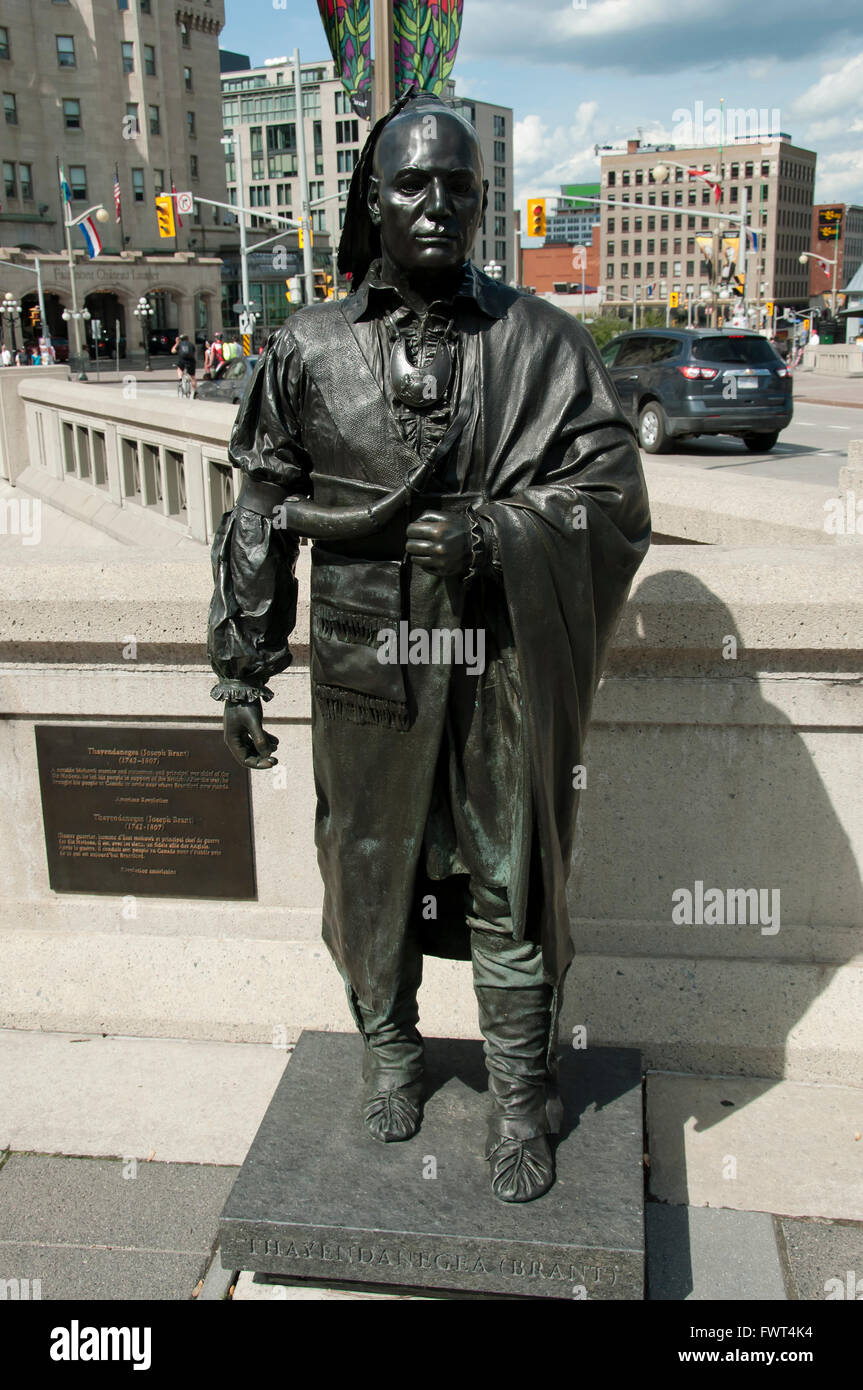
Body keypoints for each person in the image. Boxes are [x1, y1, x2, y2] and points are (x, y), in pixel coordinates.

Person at [207, 91, 650, 1203]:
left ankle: (516, 1100)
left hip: (501, 669)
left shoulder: (543, 341)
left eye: (460, 185)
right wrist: (242, 660)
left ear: (486, 201)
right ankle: (389, 1056)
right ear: (370, 199)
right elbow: (259, 510)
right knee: (371, 875)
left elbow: (612, 494)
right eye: (412, 183)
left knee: (508, 882)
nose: (438, 204)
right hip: (368, 670)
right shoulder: (305, 346)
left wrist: (499, 533)